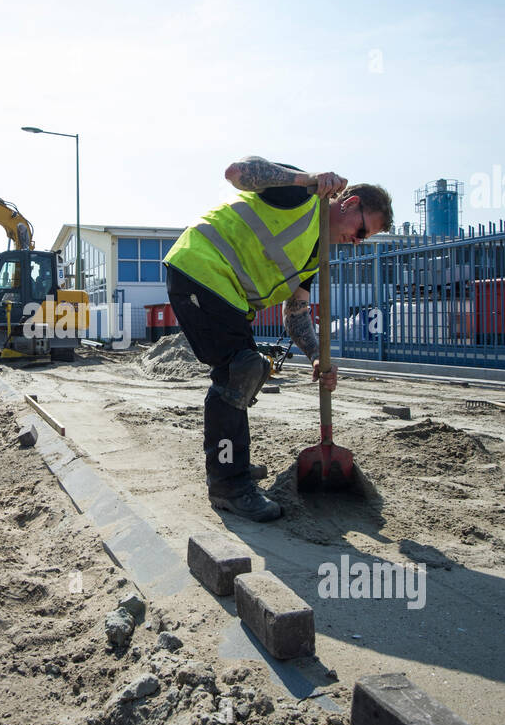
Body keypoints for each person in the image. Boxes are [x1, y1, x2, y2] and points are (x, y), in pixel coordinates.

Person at [163, 156, 393, 521]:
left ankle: (231, 464)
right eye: (362, 231)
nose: (356, 242)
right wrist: (309, 179)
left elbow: (296, 313)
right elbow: (237, 173)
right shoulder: (300, 194)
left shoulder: (315, 254)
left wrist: (319, 356)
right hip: (200, 269)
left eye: (364, 240)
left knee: (248, 373)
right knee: (237, 373)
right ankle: (228, 483)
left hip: (225, 293)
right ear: (350, 203)